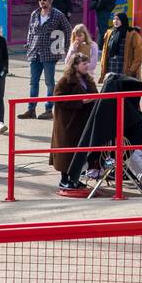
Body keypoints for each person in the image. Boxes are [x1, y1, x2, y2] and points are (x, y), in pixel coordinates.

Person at [23, 0, 71, 121]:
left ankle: (49, 109)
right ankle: (31, 109)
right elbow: (30, 31)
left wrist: (64, 47)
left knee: (49, 82)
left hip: (49, 53)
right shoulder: (35, 14)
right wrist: (28, 44)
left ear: (50, 0)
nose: (41, 2)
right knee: (33, 82)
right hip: (35, 52)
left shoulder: (58, 15)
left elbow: (67, 30)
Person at [52, 54, 98, 190]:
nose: (87, 66)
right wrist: (80, 101)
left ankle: (75, 178)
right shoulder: (65, 81)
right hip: (68, 123)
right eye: (84, 64)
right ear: (75, 65)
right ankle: (64, 179)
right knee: (66, 152)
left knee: (79, 151)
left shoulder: (88, 80)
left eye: (87, 63)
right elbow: (58, 98)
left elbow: (95, 94)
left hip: (83, 121)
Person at [98, 10, 142, 81]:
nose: (115, 21)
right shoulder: (110, 33)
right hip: (110, 67)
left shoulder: (132, 34)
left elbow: (139, 54)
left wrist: (131, 70)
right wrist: (103, 68)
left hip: (125, 69)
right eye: (114, 19)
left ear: (123, 20)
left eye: (118, 19)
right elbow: (104, 52)